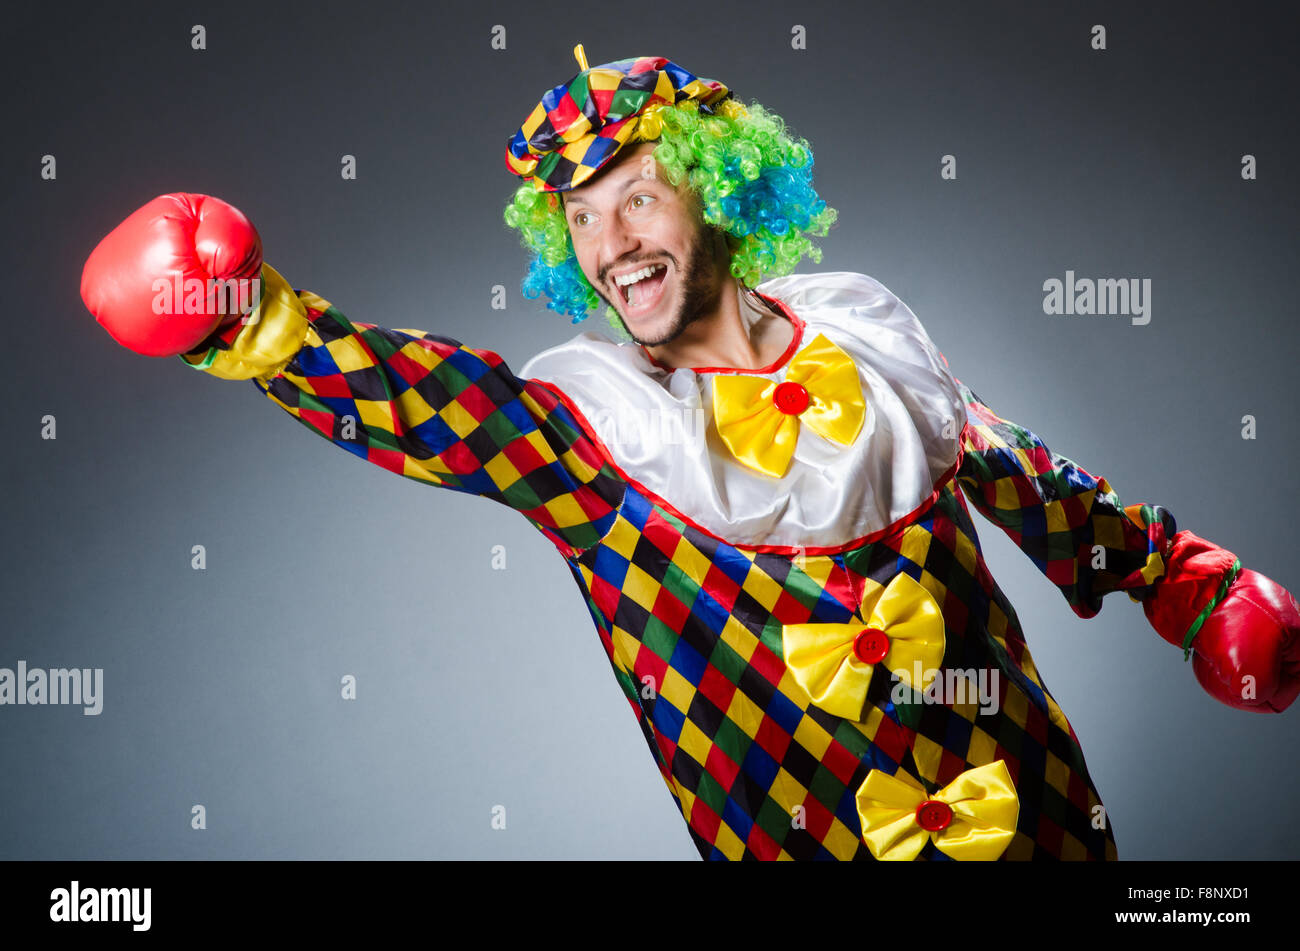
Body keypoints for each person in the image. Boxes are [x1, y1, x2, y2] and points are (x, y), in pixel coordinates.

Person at [80, 50, 1299, 861]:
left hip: (1038, 817)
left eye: (638, 198)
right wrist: (257, 322)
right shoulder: (591, 436)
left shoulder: (865, 332)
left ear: (717, 196)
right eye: (581, 216)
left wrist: (1181, 584)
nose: (610, 242)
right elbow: (421, 401)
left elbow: (1016, 472)